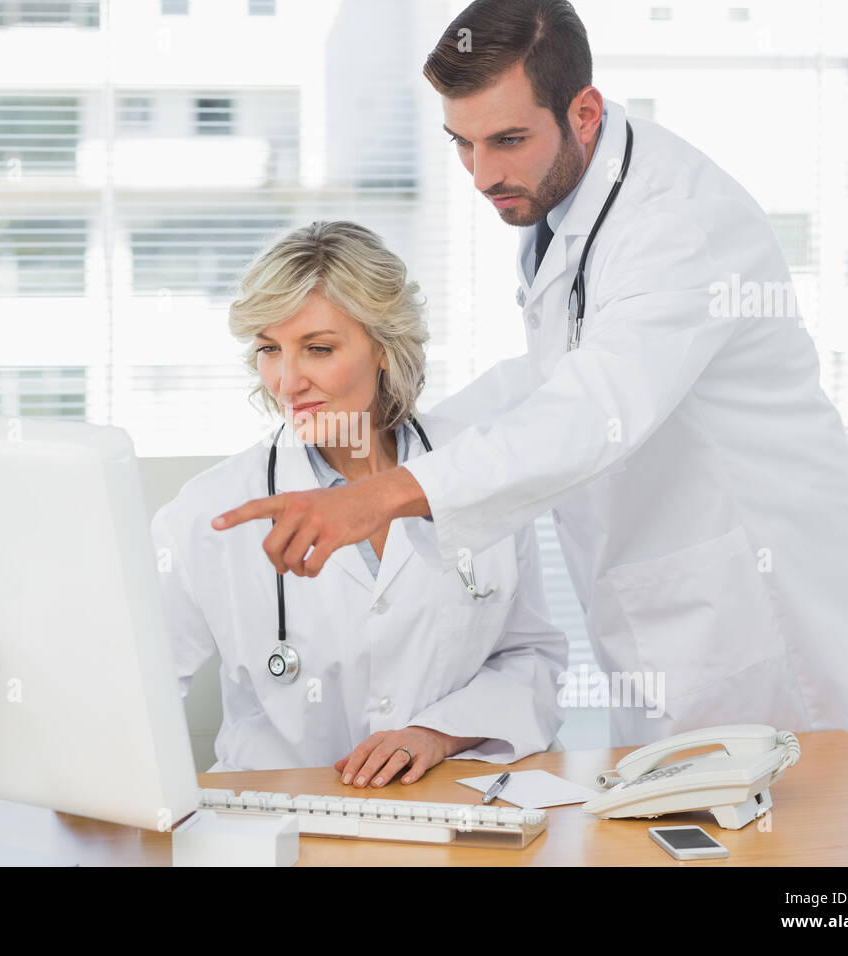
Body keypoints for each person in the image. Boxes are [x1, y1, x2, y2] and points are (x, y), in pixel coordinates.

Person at [212, 0, 848, 755]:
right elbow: (552, 375)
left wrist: (391, 493)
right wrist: (400, 436)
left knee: (814, 831)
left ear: (584, 112)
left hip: (764, 606)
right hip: (668, 600)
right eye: (462, 144)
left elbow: (592, 406)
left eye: (508, 140)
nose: (483, 174)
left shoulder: (676, 227)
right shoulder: (564, 205)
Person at [151, 220, 567, 785]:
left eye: (318, 349)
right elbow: (130, 689)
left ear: (384, 348)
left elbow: (531, 660)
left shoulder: (470, 469)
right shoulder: (214, 510)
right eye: (269, 350)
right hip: (280, 824)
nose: (288, 381)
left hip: (443, 811)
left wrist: (436, 732)